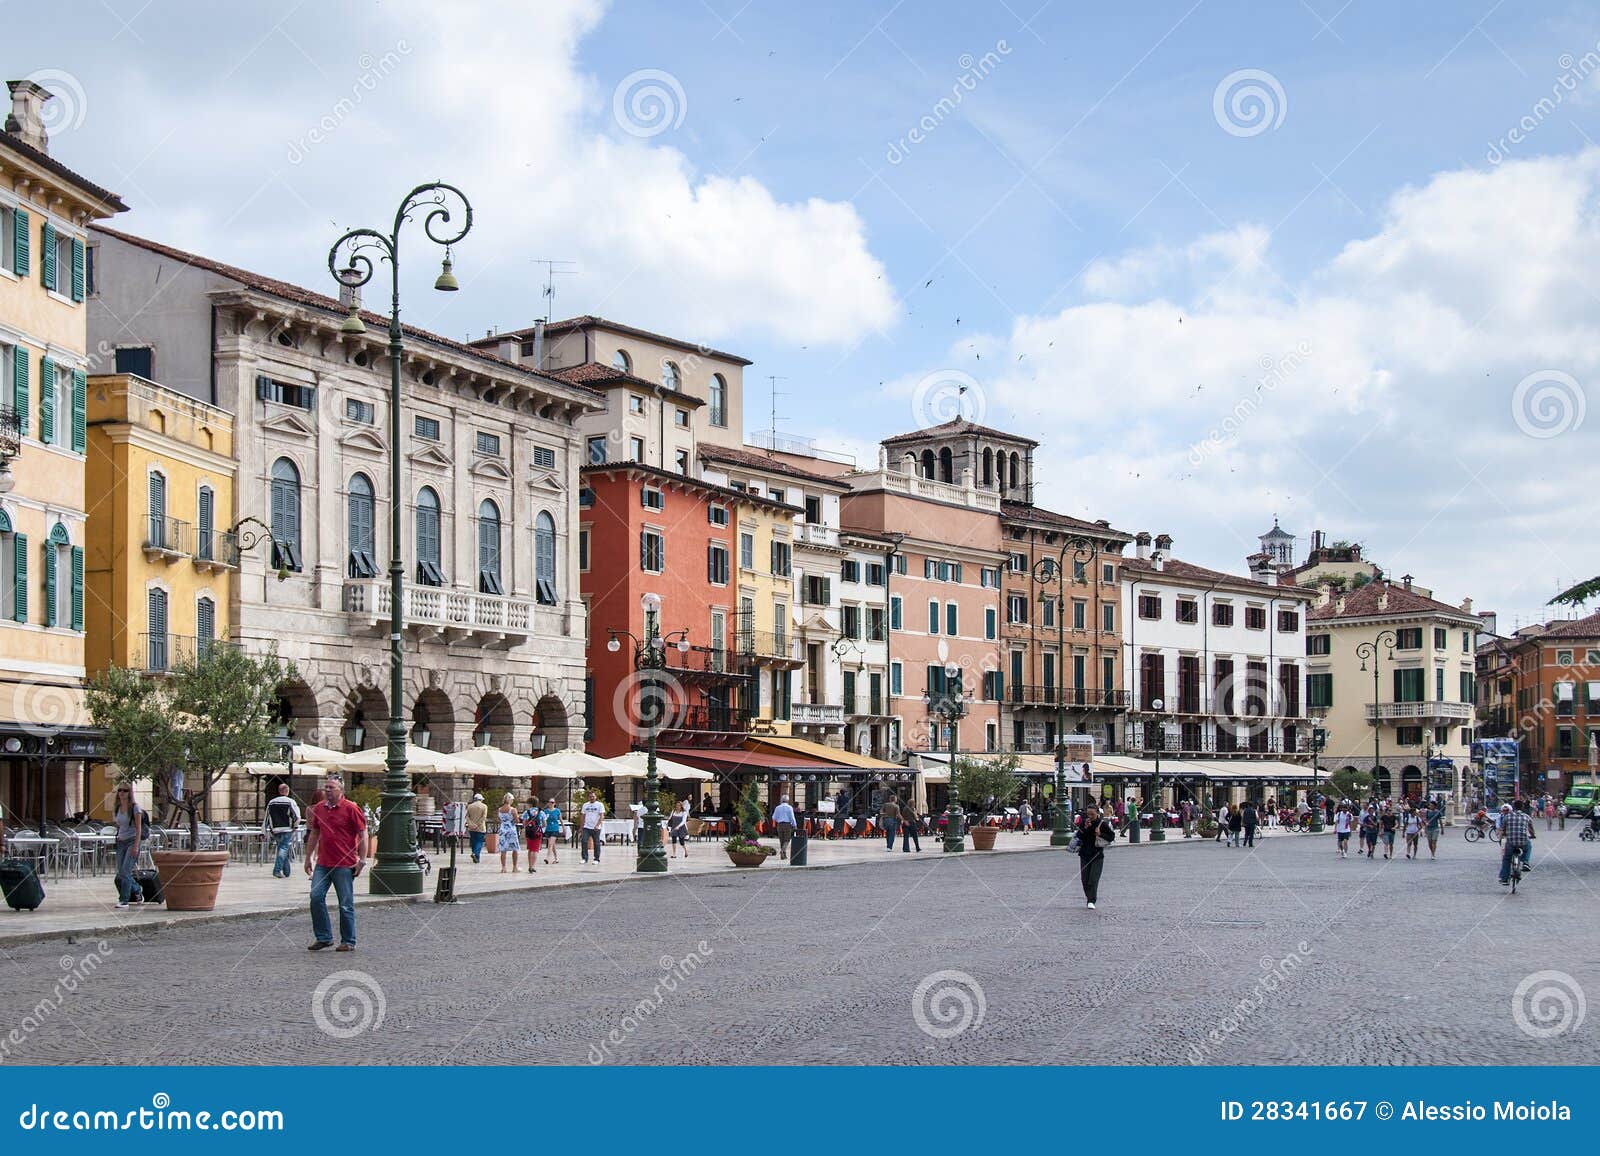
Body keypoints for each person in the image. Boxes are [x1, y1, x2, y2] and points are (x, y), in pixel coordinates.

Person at [305, 775, 365, 952]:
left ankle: (348, 941)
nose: (328, 790)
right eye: (326, 787)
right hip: (323, 862)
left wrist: (361, 860)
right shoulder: (319, 808)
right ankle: (324, 937)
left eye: (331, 787)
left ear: (341, 790)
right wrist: (308, 857)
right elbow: (315, 833)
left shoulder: (351, 808)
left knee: (345, 903)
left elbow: (363, 835)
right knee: (316, 897)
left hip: (344, 863)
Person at [1075, 804, 1115, 910]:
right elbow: (1079, 836)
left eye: (1092, 814)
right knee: (1084, 879)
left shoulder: (1102, 824)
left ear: (1097, 813)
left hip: (1097, 855)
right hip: (1084, 854)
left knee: (1093, 879)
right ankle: (1089, 897)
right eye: (1088, 814)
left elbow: (1111, 836)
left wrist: (1100, 834)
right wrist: (1084, 828)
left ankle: (1091, 900)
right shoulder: (1084, 822)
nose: (1090, 816)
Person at [111, 784, 144, 909]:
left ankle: (124, 900)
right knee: (121, 872)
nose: (122, 793)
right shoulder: (117, 807)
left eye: (125, 790)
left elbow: (139, 828)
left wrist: (136, 845)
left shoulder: (135, 808)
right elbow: (120, 825)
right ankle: (137, 889)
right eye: (119, 790)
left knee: (125, 870)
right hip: (121, 842)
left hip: (132, 841)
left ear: (130, 793)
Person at [266, 782, 301, 879]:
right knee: (283, 848)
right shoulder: (290, 802)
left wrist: (265, 830)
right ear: (288, 791)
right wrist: (295, 826)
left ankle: (287, 872)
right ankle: (277, 870)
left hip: (275, 829)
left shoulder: (271, 802)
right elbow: (297, 816)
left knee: (282, 848)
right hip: (287, 829)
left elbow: (267, 817)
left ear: (279, 791)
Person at [1499, 802, 1535, 885]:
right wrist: (1533, 835)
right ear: (1522, 808)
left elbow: (1503, 829)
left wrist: (1503, 836)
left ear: (1513, 808)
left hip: (1511, 842)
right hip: (1523, 841)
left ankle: (1504, 879)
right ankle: (1525, 863)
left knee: (1506, 858)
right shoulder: (1527, 817)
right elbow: (1531, 830)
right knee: (1528, 847)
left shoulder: (1507, 817)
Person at [494, 794, 520, 873]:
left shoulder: (499, 809)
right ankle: (514, 867)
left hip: (502, 830)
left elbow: (498, 819)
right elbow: (517, 821)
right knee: (515, 849)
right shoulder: (513, 810)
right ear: (511, 800)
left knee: (503, 850)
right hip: (511, 830)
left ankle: (503, 868)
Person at [579, 789, 605, 865]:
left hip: (596, 827)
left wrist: (597, 825)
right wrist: (581, 826)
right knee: (584, 841)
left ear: (595, 797)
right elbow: (583, 816)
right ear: (588, 797)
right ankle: (584, 858)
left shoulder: (600, 805)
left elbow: (601, 816)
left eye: (593, 796)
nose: (592, 798)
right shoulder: (585, 805)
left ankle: (596, 858)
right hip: (587, 827)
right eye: (590, 796)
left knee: (596, 843)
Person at [771, 794, 797, 860]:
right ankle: (783, 851)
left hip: (779, 825)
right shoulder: (789, 807)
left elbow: (773, 817)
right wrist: (794, 825)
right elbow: (792, 817)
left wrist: (778, 820)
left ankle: (783, 855)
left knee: (781, 840)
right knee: (787, 839)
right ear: (787, 801)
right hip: (787, 824)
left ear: (781, 800)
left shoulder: (777, 807)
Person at [465, 792, 488, 863]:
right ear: (481, 799)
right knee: (479, 842)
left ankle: (476, 856)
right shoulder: (484, 806)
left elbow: (467, 816)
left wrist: (471, 824)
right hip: (480, 827)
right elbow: (483, 817)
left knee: (473, 842)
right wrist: (477, 824)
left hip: (471, 827)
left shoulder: (469, 806)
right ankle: (475, 854)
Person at [520, 797, 542, 873]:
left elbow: (524, 823)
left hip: (529, 833)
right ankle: (533, 866)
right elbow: (544, 823)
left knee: (530, 849)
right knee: (535, 850)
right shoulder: (540, 812)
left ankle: (529, 866)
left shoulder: (527, 812)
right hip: (537, 833)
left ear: (530, 804)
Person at [542, 798, 563, 865]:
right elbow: (543, 820)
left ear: (554, 803)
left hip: (555, 829)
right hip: (548, 829)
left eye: (552, 802)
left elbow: (561, 820)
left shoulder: (557, 811)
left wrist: (563, 828)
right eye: (550, 802)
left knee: (550, 844)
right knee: (552, 845)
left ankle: (547, 858)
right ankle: (556, 858)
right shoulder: (545, 811)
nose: (551, 803)